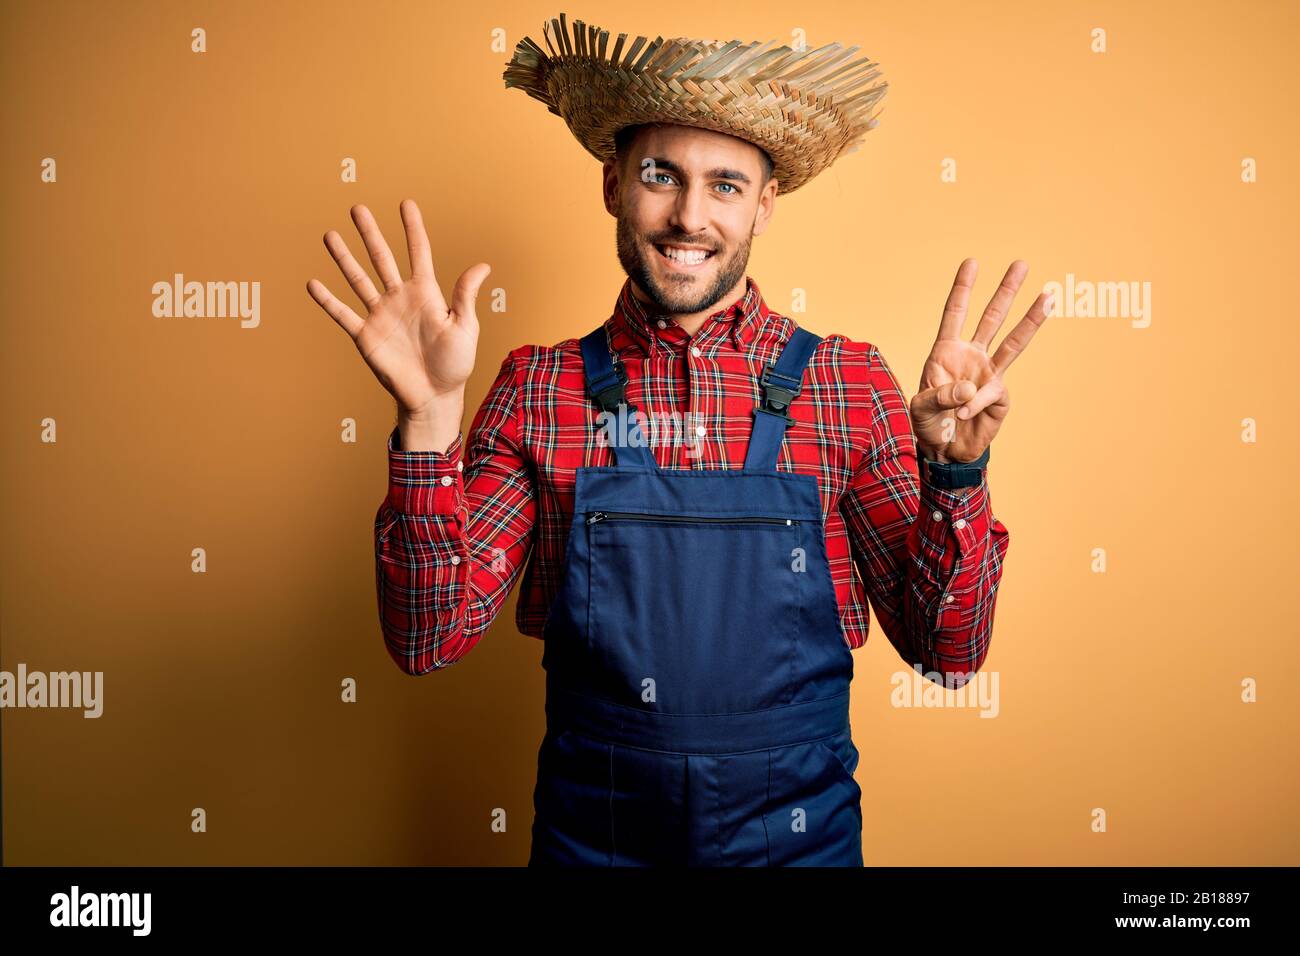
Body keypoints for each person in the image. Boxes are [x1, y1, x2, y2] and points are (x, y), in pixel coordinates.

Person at [305, 13, 1050, 866]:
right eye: (662, 176)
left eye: (726, 185)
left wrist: (957, 477)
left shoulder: (845, 385)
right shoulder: (541, 388)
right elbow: (426, 640)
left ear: (764, 206)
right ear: (614, 184)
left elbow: (949, 657)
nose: (689, 216)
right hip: (595, 848)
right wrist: (430, 422)